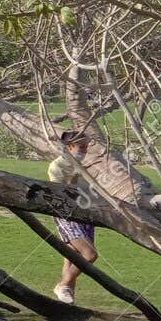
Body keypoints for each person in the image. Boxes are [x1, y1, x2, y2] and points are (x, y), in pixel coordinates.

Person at [49, 129, 99, 305]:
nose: (85, 150)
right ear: (69, 146)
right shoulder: (57, 166)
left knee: (71, 256)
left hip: (84, 214)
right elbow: (59, 194)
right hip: (66, 215)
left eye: (86, 146)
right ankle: (62, 285)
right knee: (89, 254)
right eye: (82, 146)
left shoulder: (83, 165)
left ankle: (67, 299)